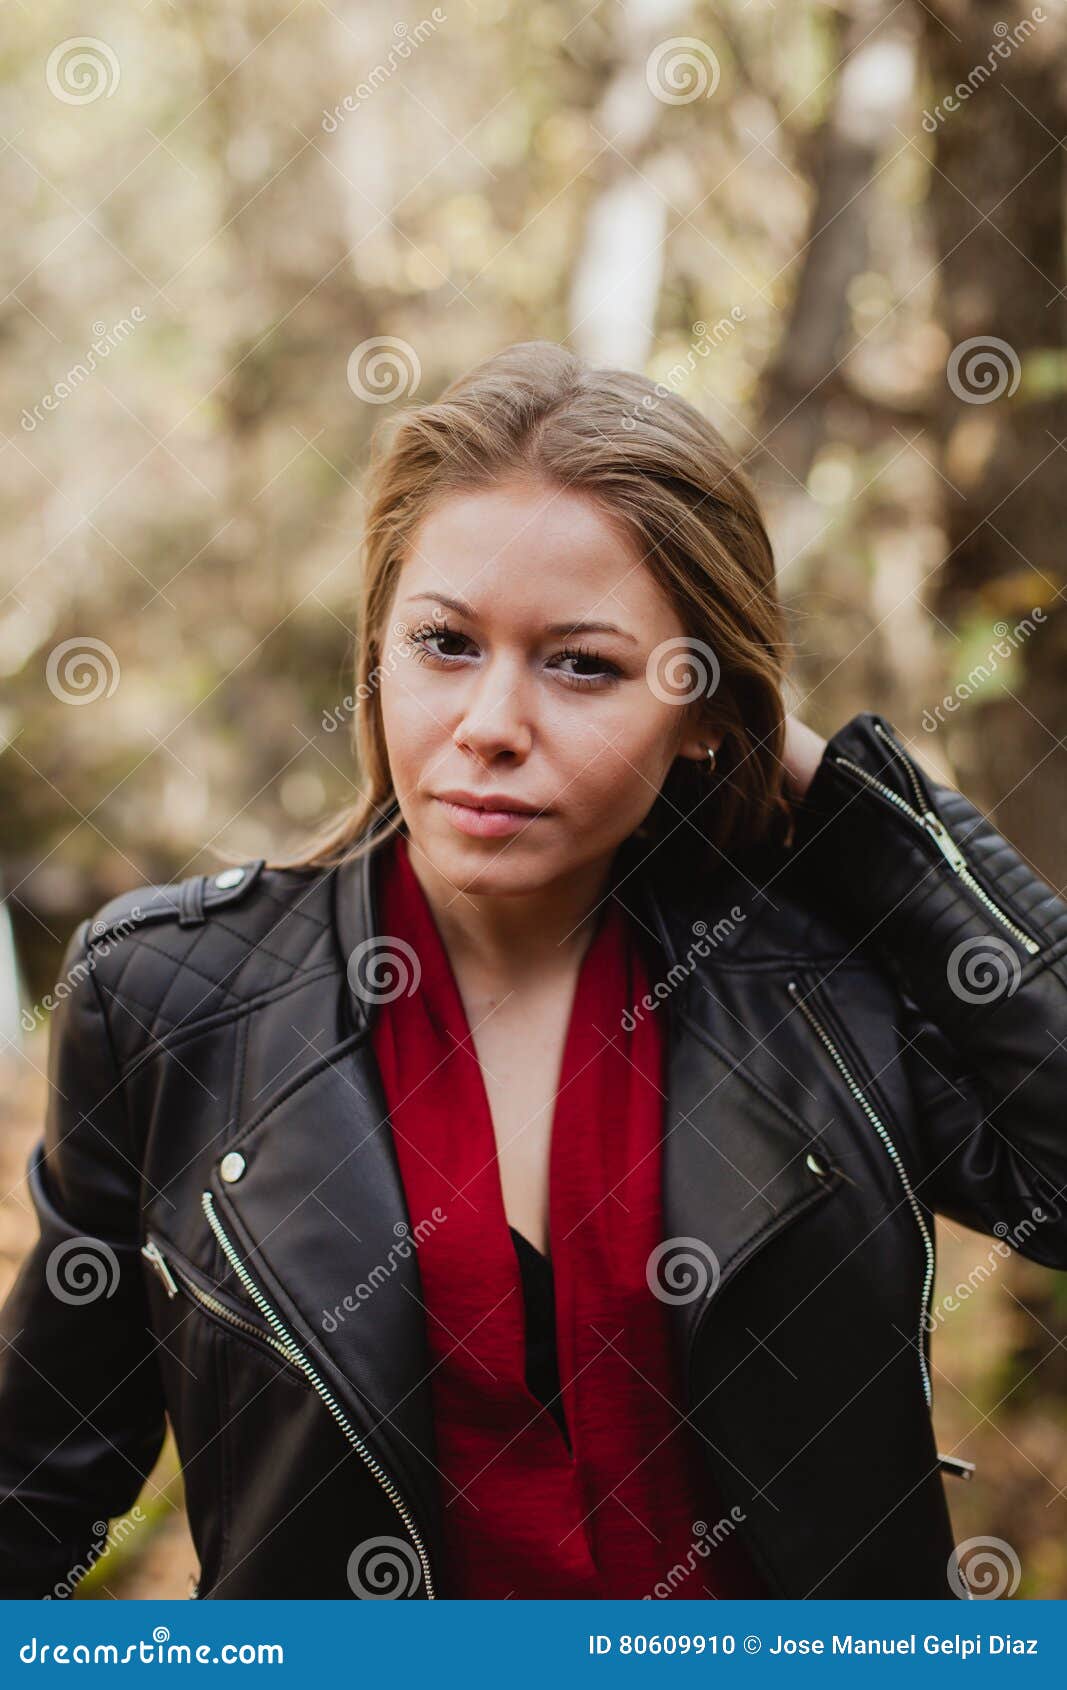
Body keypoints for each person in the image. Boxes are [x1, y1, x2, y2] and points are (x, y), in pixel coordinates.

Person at [0, 340, 1064, 1601]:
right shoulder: (175, 1002)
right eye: (445, 643)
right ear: (377, 653)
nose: (491, 724)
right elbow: (40, 1488)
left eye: (583, 665)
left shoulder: (823, 991)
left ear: (705, 711)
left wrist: (846, 799)